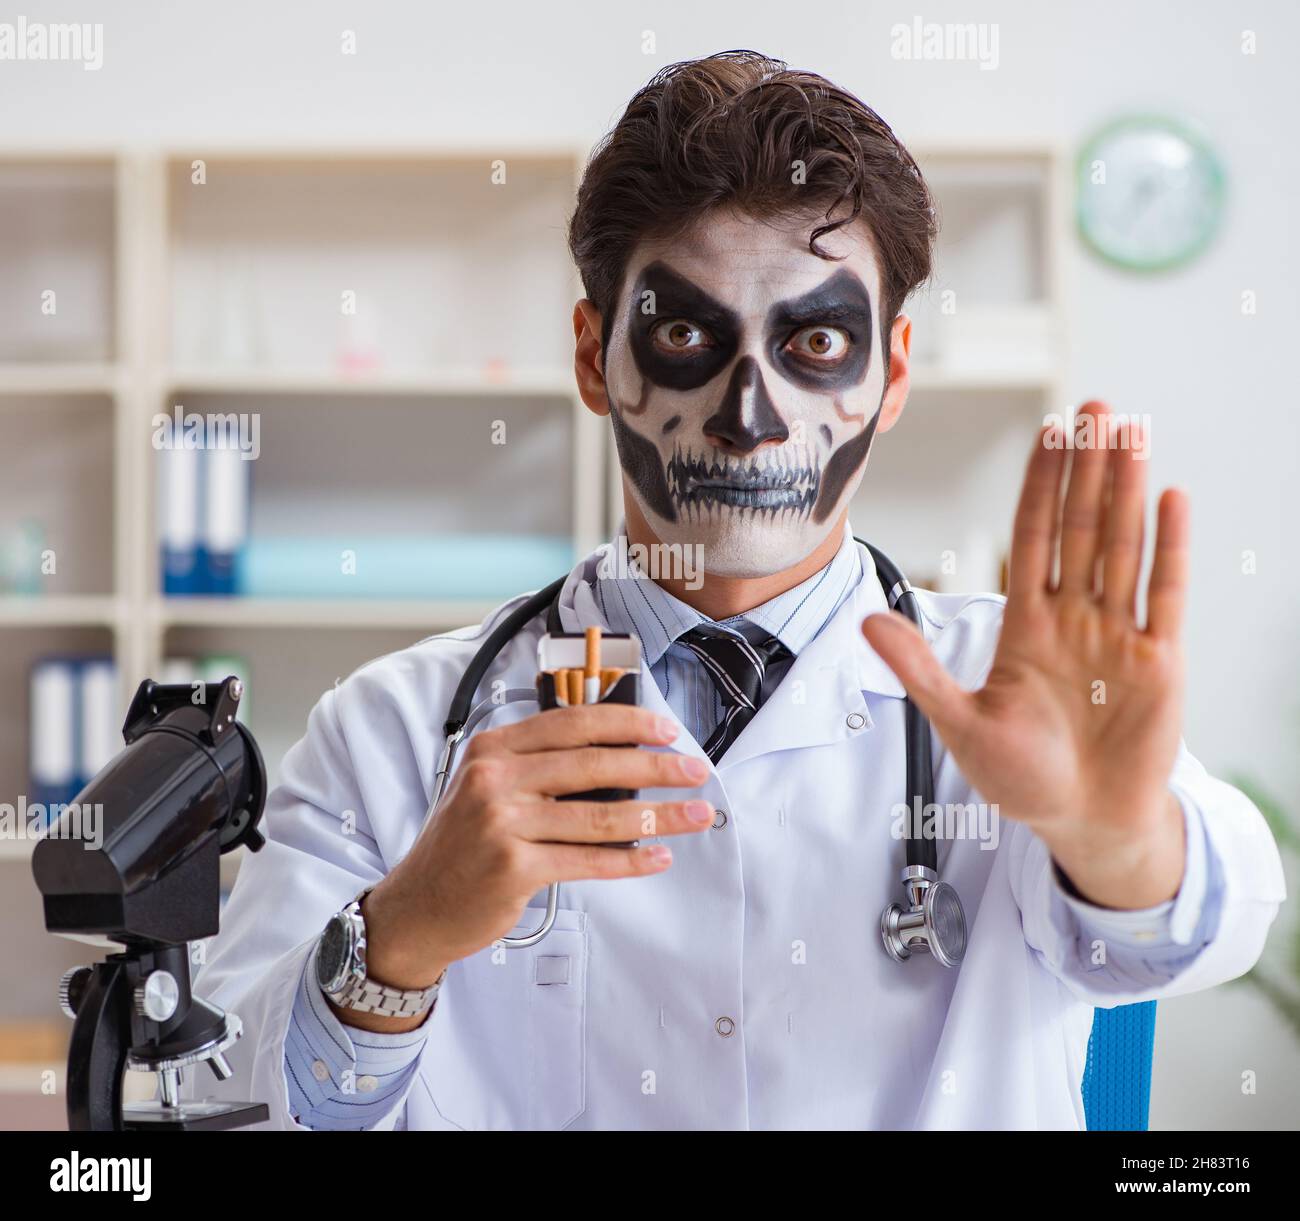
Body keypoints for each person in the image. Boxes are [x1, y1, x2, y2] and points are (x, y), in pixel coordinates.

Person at [191, 50, 1284, 1130]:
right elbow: (230, 1103)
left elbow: (1196, 929)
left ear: (891, 374)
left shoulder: (1011, 693)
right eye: (682, 335)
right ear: (591, 355)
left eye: (813, 340)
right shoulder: (391, 730)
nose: (747, 416)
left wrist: (1117, 838)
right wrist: (400, 938)